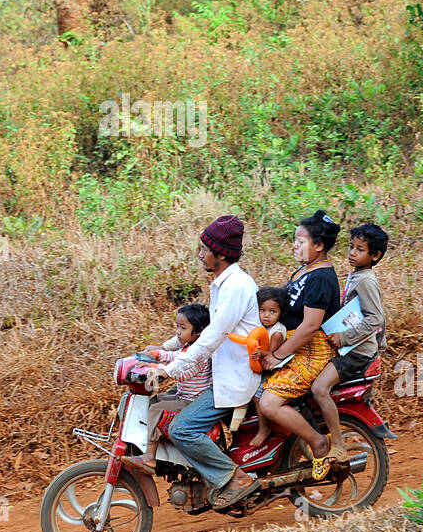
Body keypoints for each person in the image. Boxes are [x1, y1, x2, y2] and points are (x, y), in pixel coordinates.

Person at [142, 215, 264, 509]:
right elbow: (201, 333)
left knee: (182, 428)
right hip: (217, 374)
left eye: (204, 249)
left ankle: (234, 478)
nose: (200, 255)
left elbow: (209, 340)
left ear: (220, 253)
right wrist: (161, 349)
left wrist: (168, 369)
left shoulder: (236, 287)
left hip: (231, 379)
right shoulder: (222, 284)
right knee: (156, 404)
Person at [257, 210, 343, 479]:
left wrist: (277, 355)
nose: (294, 245)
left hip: (311, 351)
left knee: (269, 404)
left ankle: (318, 441)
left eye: (301, 241)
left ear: (319, 246)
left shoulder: (320, 278)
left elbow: (309, 326)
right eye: (294, 240)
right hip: (294, 344)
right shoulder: (306, 270)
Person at [309, 223, 388, 461]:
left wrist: (344, 338)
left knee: (319, 388)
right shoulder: (358, 275)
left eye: (360, 249)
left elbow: (376, 318)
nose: (352, 253)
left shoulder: (365, 281)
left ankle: (339, 445)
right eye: (351, 247)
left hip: (356, 353)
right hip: (351, 348)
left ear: (375, 255)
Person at [127, 304, 212, 473]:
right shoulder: (188, 346)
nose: (178, 331)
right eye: (177, 327)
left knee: (157, 408)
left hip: (192, 401)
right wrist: (156, 356)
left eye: (183, 327)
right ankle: (158, 441)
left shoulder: (200, 353)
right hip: (183, 395)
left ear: (199, 331)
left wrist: (162, 370)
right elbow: (176, 356)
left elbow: (183, 372)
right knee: (154, 402)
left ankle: (150, 457)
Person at [247, 287, 293, 447]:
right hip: (261, 367)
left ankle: (264, 429)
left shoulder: (277, 331)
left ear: (280, 312)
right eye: (263, 310)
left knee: (257, 396)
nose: (267, 315)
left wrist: (260, 353)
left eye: (272, 311)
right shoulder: (261, 327)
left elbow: (272, 354)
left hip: (273, 371)